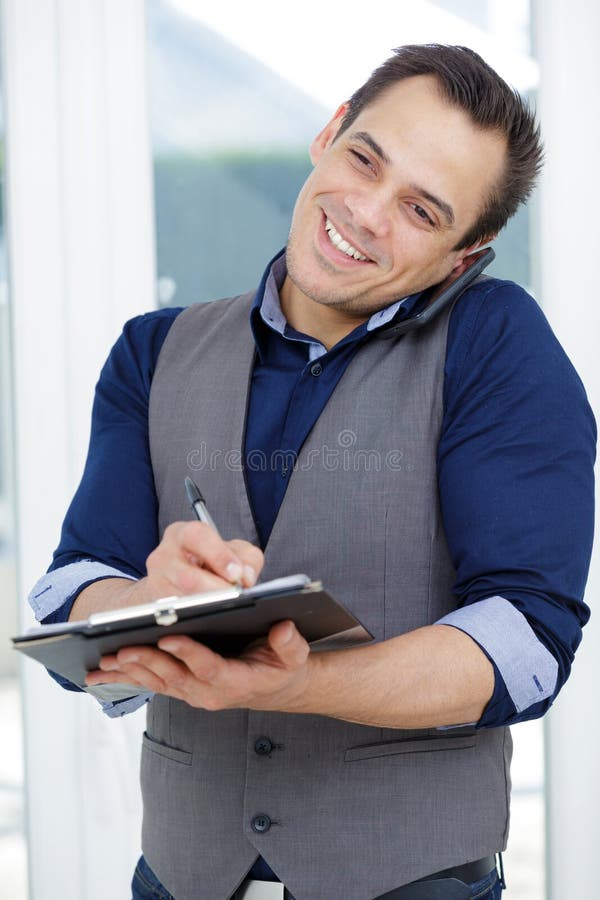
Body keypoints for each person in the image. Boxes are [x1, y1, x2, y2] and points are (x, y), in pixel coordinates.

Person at [30, 44, 595, 900]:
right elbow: (70, 592)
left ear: (464, 254)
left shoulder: (497, 346)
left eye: (421, 209)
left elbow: (526, 643)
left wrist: (307, 682)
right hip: (176, 880)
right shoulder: (155, 352)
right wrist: (144, 603)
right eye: (364, 158)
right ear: (329, 133)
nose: (366, 213)